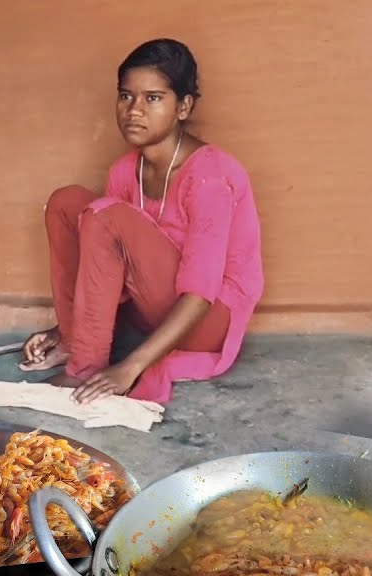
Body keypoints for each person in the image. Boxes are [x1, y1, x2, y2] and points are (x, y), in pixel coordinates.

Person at [20, 38, 264, 406]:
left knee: (106, 217)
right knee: (67, 203)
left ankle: (83, 371)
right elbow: (105, 265)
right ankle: (75, 341)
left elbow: (200, 295)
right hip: (152, 309)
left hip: (206, 320)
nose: (134, 110)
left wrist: (129, 367)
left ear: (183, 107)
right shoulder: (125, 170)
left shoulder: (209, 177)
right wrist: (65, 327)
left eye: (153, 98)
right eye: (125, 96)